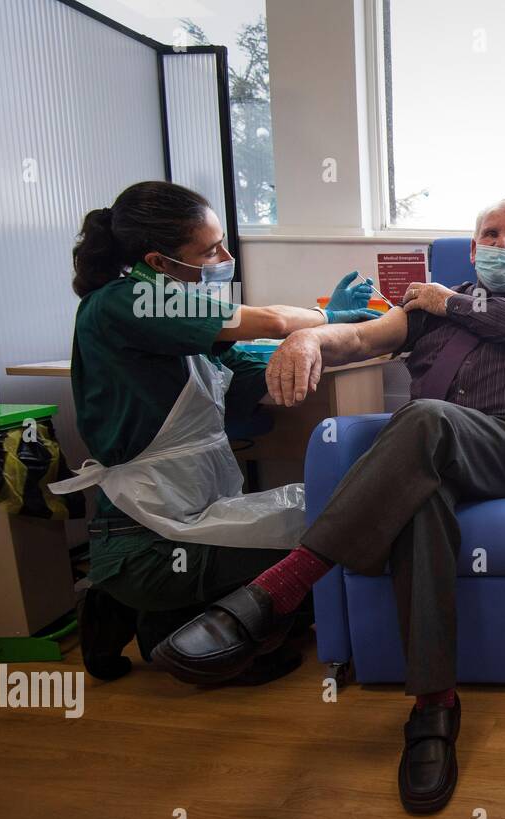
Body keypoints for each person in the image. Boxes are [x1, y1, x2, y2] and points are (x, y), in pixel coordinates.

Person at [153, 198, 505, 814]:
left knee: (424, 417)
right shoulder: (427, 309)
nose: (501, 245)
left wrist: (449, 303)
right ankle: (434, 709)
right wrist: (308, 336)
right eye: (490, 234)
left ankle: (280, 588)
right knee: (420, 503)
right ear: (471, 248)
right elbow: (357, 337)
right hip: (429, 458)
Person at [61, 181, 380, 685]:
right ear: (159, 262)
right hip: (147, 536)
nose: (226, 259)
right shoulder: (131, 301)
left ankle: (154, 608)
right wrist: (326, 317)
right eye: (210, 250)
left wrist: (322, 346)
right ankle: (147, 614)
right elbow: (272, 321)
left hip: (186, 512)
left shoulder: (176, 315)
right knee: (312, 558)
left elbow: (241, 366)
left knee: (316, 527)